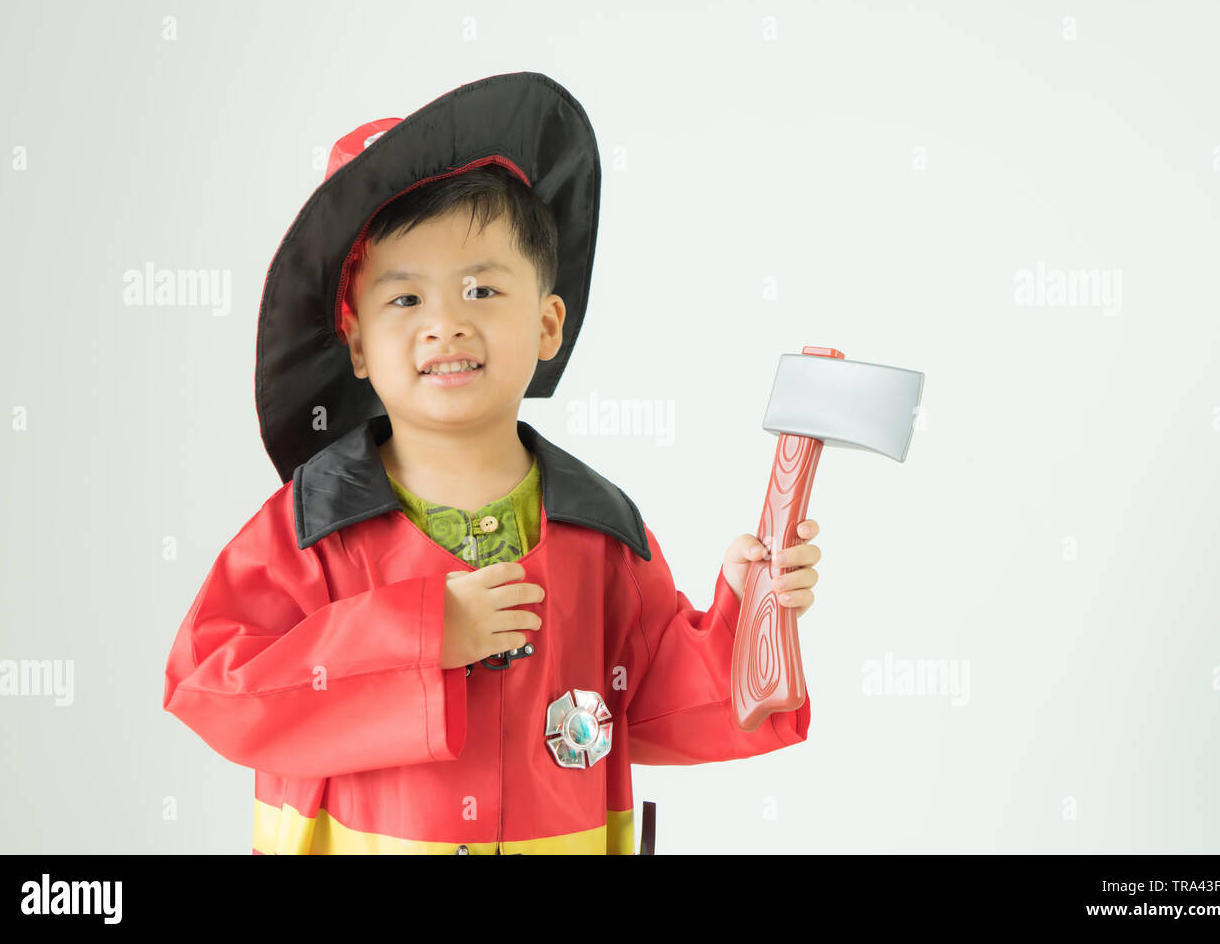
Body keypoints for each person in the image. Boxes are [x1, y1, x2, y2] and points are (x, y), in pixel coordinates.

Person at [162, 72, 821, 854]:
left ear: (547, 324)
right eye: (405, 300)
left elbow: (651, 704)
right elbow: (213, 685)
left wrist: (749, 624)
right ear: (358, 341)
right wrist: (420, 636)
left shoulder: (600, 531)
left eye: (481, 290)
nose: (445, 325)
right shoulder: (312, 527)